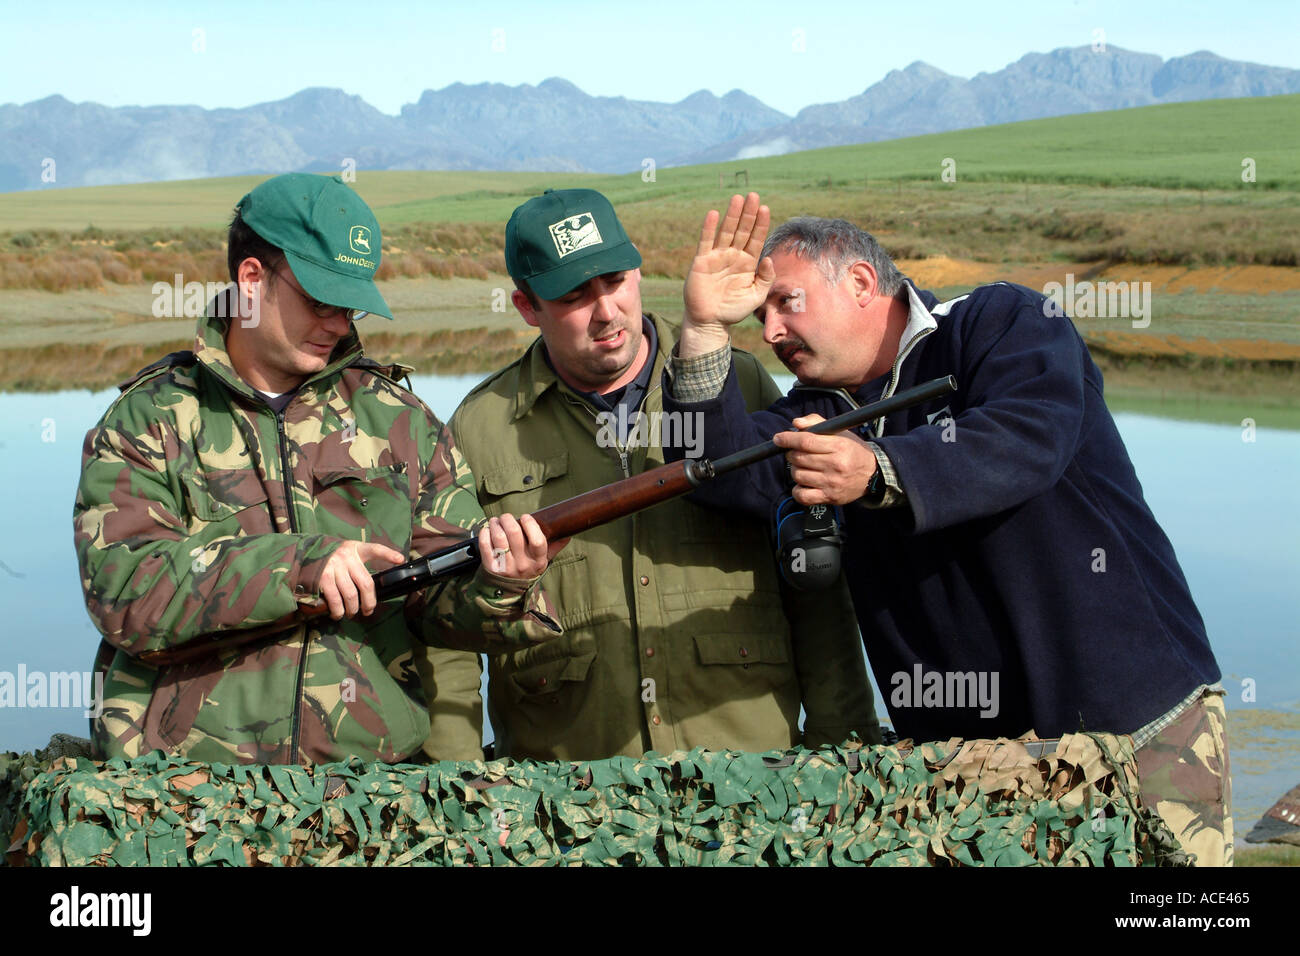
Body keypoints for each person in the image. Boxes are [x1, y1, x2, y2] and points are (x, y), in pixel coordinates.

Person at [661, 193, 1231, 865]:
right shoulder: (814, 412)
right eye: (760, 315)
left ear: (862, 281)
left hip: (1138, 723)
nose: (773, 330)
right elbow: (713, 470)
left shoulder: (1002, 321)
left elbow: (1029, 434)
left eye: (786, 301)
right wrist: (701, 330)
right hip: (969, 762)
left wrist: (877, 469)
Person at [73, 173, 560, 766]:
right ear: (251, 280)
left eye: (350, 303)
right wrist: (300, 567)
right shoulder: (148, 418)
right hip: (184, 793)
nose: (338, 323)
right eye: (319, 300)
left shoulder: (398, 419)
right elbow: (124, 590)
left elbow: (436, 606)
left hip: (367, 791)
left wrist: (501, 584)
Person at [446, 187, 880, 760]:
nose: (606, 313)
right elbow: (445, 633)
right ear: (527, 307)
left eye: (615, 281)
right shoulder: (479, 426)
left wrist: (845, 751)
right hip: (565, 797)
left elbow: (814, 587)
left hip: (749, 782)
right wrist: (456, 781)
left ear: (637, 271)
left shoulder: (739, 386)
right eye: (575, 296)